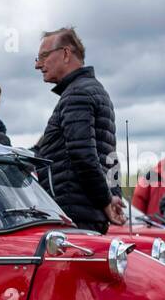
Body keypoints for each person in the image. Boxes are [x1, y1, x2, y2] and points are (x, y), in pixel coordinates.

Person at [31, 26, 125, 231]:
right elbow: (111, 157)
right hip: (86, 214)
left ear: (65, 53)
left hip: (72, 215)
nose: (38, 65)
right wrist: (112, 196)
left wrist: (106, 201)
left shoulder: (78, 94)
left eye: (44, 56)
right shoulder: (95, 90)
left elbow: (83, 154)